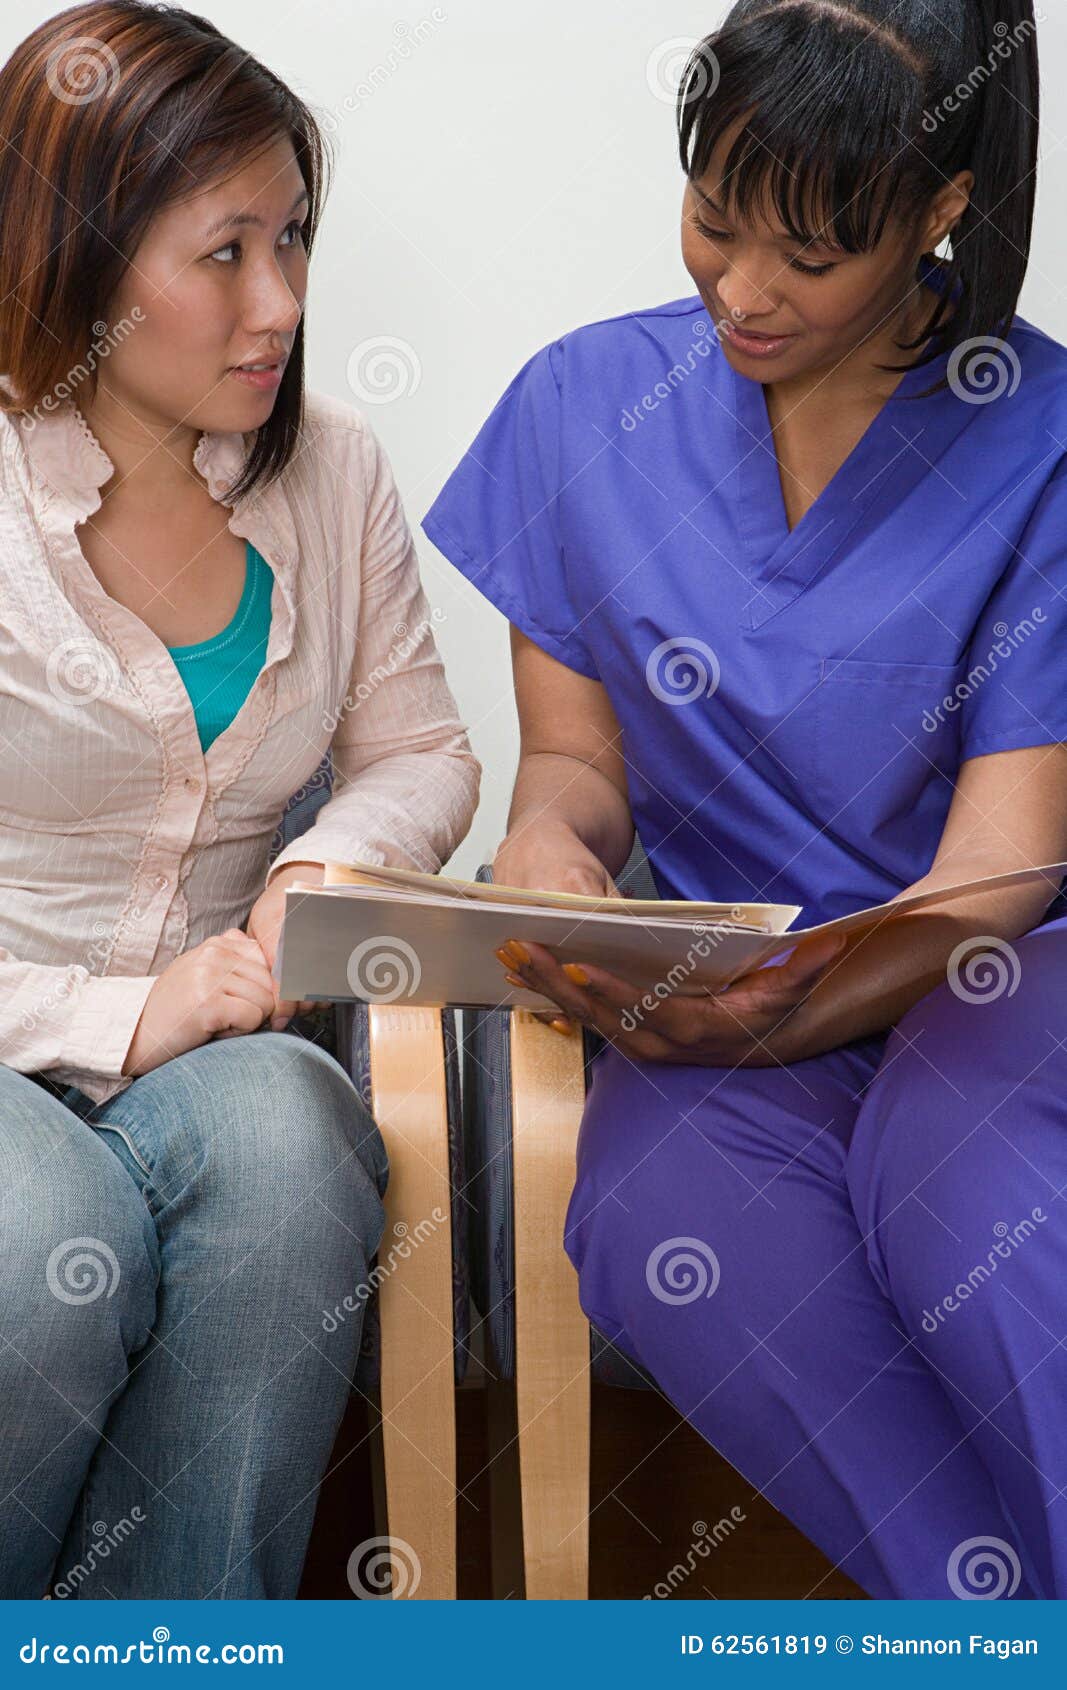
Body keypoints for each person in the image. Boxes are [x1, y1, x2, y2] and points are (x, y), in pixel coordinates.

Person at [422, 0, 1067, 1599]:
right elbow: (577, 770)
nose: (745, 289)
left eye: (813, 253)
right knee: (660, 1222)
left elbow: (998, 870)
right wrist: (548, 856)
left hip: (987, 978)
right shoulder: (585, 408)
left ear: (942, 213)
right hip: (724, 996)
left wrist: (794, 1010)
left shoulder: (1046, 444)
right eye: (717, 218)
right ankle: (986, 1629)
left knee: (952, 1180)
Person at [0, 2, 478, 1598]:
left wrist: (321, 866)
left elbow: (423, 748)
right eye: (224, 253)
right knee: (40, 1243)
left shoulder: (330, 470)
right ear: (73, 254)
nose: (278, 304)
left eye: (293, 241)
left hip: (216, 1035)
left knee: (289, 1143)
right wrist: (110, 1018)